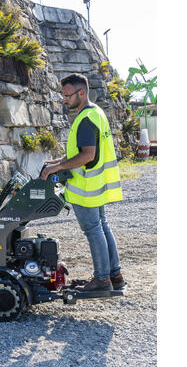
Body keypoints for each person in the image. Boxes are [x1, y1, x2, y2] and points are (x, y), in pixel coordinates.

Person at [40, 73, 125, 292]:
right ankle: (115, 275)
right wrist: (59, 161)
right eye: (63, 95)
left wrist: (58, 168)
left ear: (81, 92)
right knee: (102, 227)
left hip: (86, 188)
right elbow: (88, 153)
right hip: (97, 185)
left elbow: (87, 155)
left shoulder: (85, 119)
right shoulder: (97, 113)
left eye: (67, 95)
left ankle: (102, 280)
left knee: (93, 231)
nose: (64, 99)